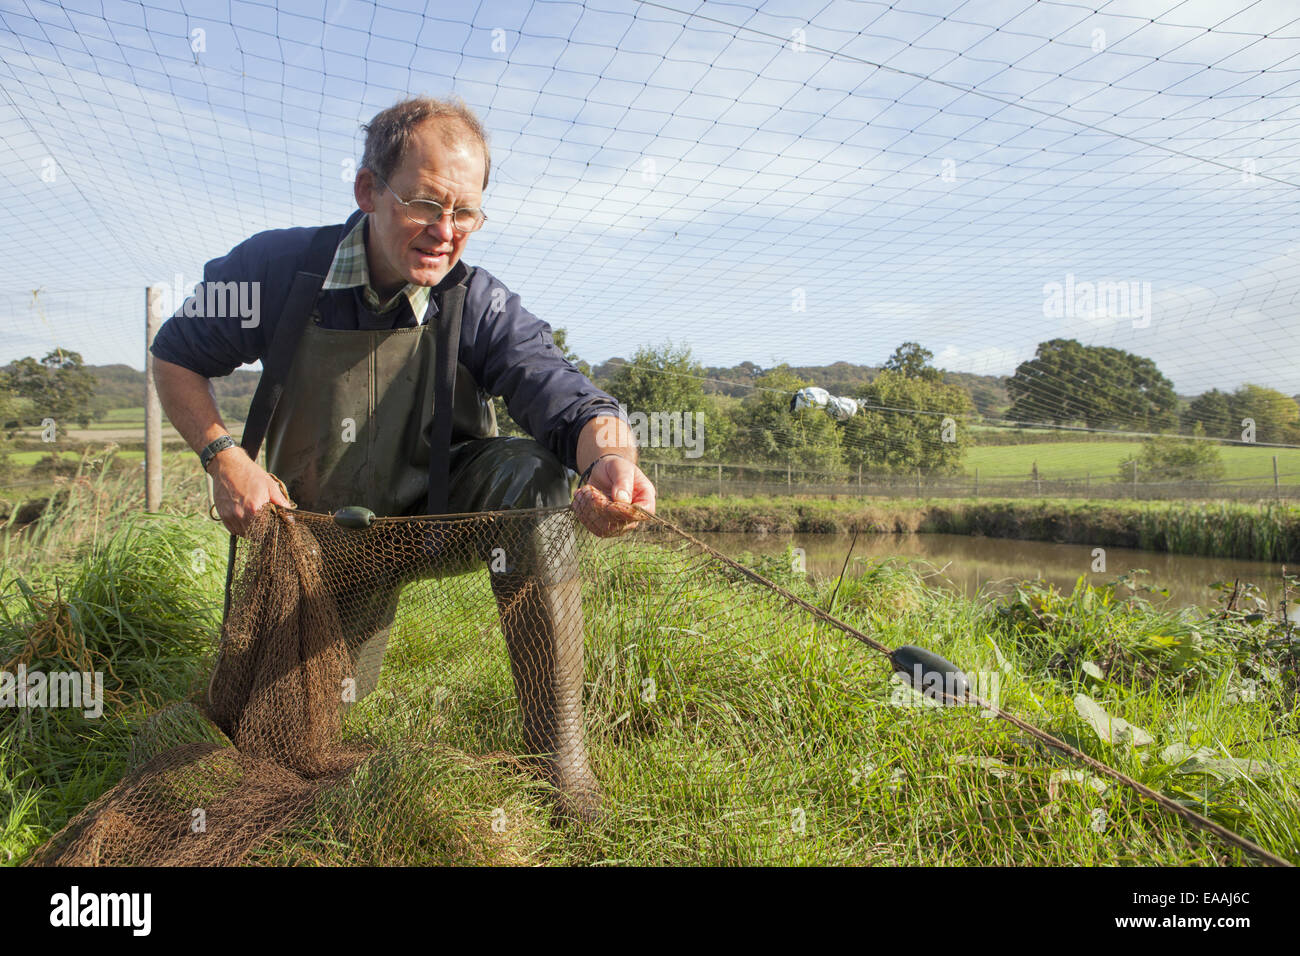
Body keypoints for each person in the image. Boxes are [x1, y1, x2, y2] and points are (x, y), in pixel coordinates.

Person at [150, 95, 657, 823]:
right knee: (281, 737)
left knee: (541, 483)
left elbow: (571, 401)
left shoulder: (477, 302)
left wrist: (611, 460)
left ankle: (561, 765)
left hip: (434, 519)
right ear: (367, 191)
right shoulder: (276, 270)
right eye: (424, 204)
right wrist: (224, 455)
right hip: (315, 536)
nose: (445, 232)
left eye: (466, 214)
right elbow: (174, 356)